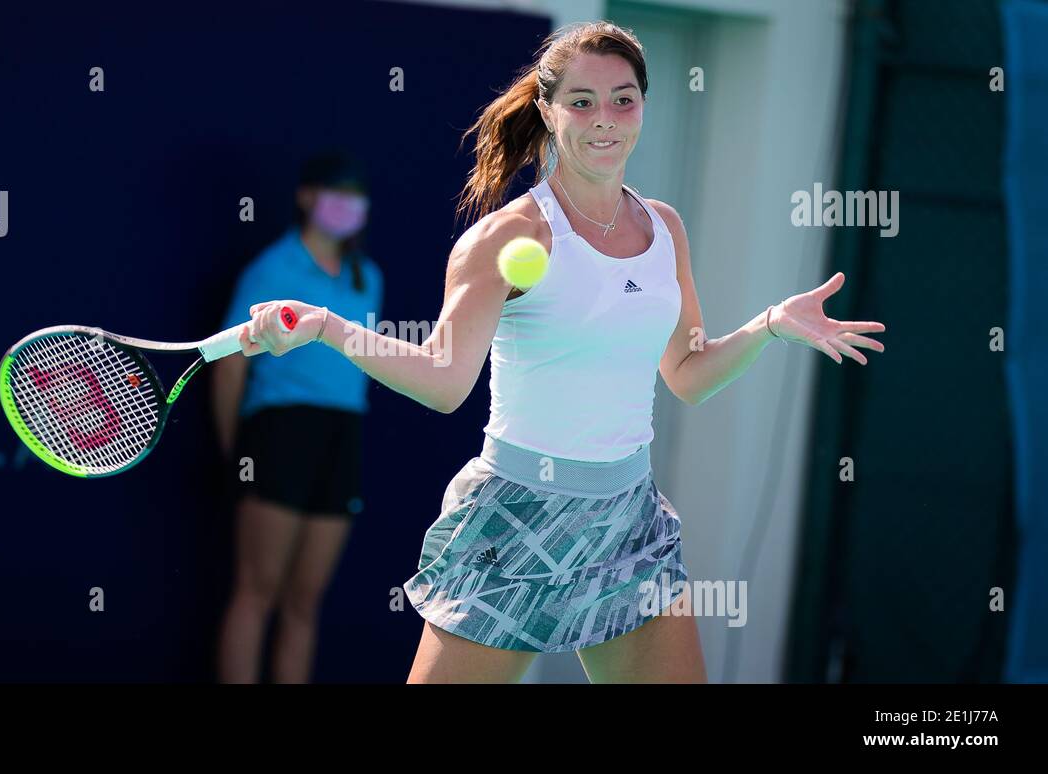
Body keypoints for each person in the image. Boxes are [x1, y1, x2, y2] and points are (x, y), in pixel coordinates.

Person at [235, 22, 885, 683]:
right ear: (547, 111)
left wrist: (771, 325)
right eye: (581, 101)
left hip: (629, 521)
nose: (604, 119)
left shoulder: (666, 230)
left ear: (643, 105)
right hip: (517, 520)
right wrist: (324, 325)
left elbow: (688, 373)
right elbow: (441, 378)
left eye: (623, 98)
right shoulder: (507, 239)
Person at [212, 151, 383, 683]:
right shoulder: (271, 270)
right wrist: (235, 453)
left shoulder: (367, 278)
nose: (348, 204)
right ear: (307, 197)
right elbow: (229, 370)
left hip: (342, 435)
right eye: (337, 190)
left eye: (357, 194)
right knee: (256, 591)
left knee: (304, 602)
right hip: (279, 435)